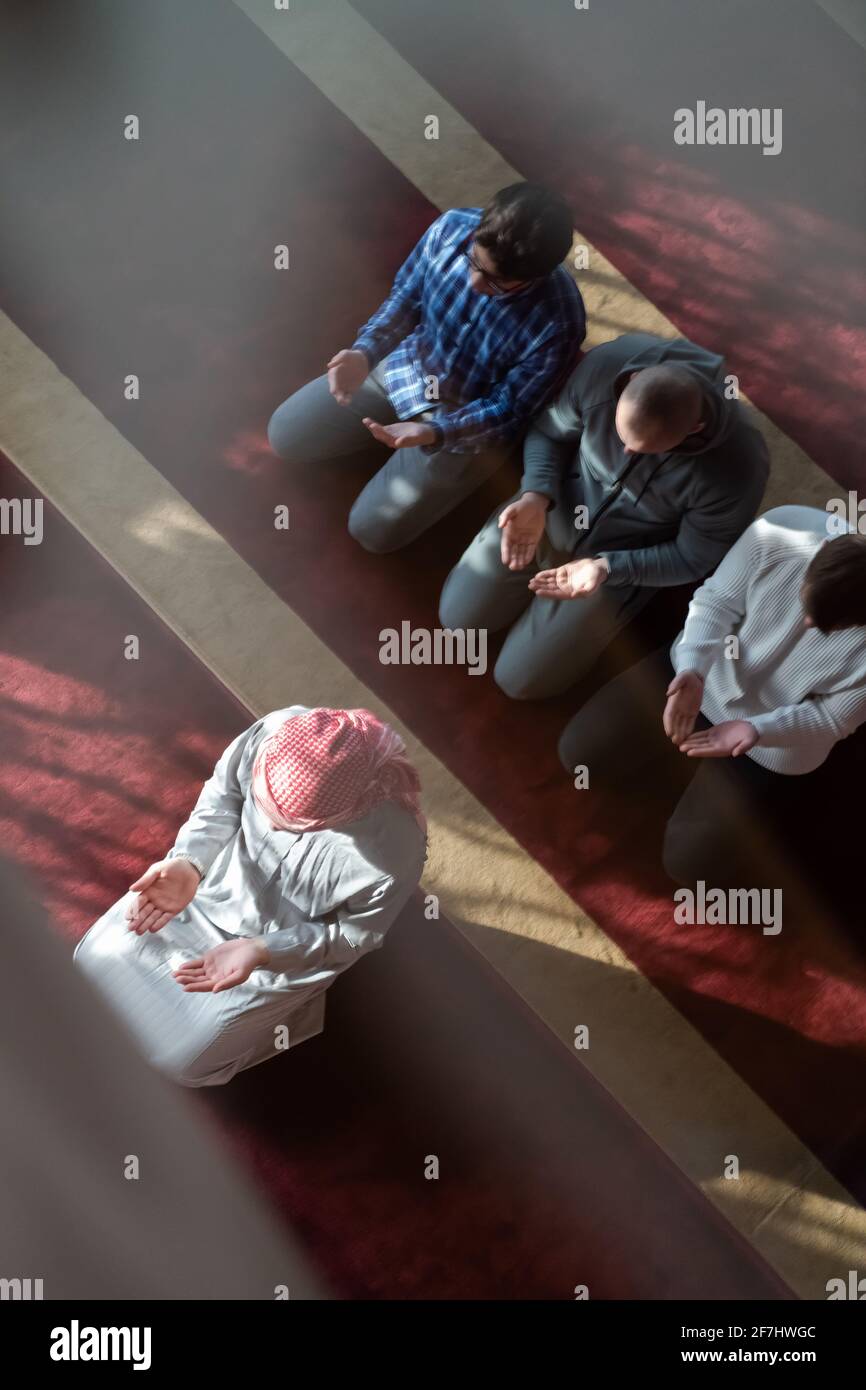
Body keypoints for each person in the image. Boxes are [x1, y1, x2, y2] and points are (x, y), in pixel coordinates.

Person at [74, 707, 427, 1087]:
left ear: (347, 813)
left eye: (291, 824)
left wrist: (263, 951)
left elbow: (354, 936)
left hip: (273, 957)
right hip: (202, 894)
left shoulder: (396, 849)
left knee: (181, 1061)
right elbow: (223, 798)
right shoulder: (275, 730)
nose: (272, 825)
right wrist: (189, 863)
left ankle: (292, 1015)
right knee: (88, 961)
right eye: (265, 809)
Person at [439, 331, 769, 699]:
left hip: (617, 565)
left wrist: (606, 568)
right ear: (629, 381)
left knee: (518, 682)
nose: (626, 452)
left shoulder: (740, 466)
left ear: (694, 429)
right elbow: (549, 433)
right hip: (549, 510)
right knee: (458, 621)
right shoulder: (608, 365)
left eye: (645, 449)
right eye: (622, 436)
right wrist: (535, 493)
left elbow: (695, 557)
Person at [556, 506, 866, 888]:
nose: (807, 623)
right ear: (820, 550)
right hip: (700, 674)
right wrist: (692, 668)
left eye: (826, 625)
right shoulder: (782, 528)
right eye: (807, 607)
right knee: (579, 753)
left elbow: (832, 720)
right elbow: (717, 601)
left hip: (770, 736)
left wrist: (757, 730)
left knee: (689, 865)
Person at [267, 183, 585, 553]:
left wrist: (434, 432)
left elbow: (507, 409)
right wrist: (365, 353)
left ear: (537, 276)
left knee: (371, 532)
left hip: (462, 419)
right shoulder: (451, 227)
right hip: (404, 367)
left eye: (498, 282)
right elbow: (406, 298)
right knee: (285, 435)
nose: (476, 284)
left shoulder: (560, 322)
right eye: (474, 262)